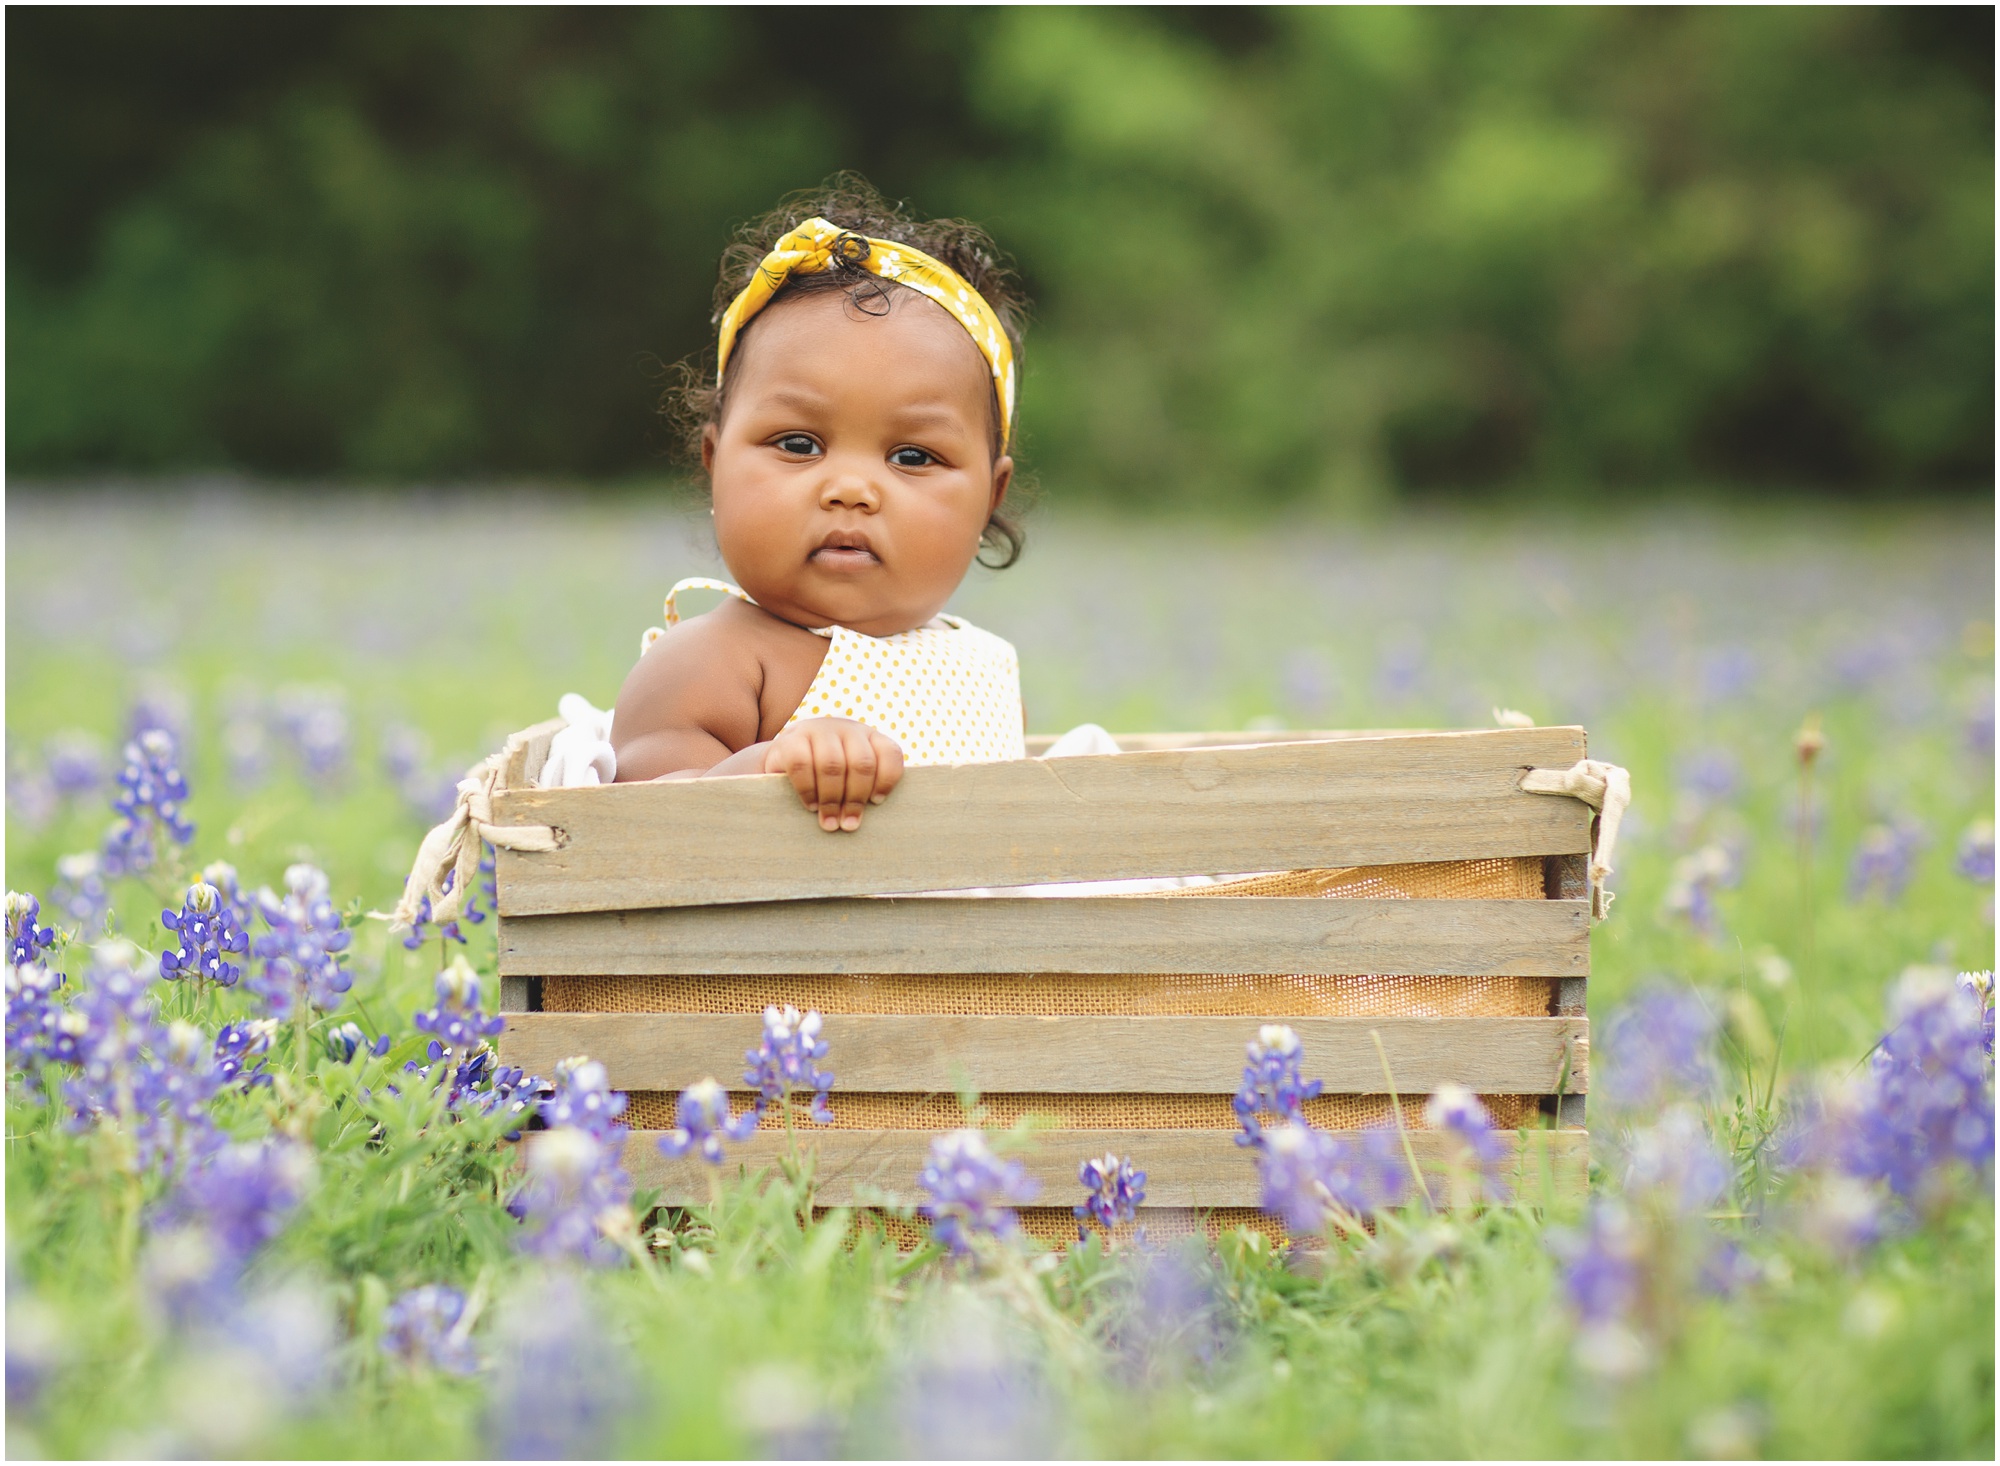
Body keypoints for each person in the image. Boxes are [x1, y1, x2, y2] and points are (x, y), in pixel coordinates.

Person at [608, 177, 1030, 831]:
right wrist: (770, 766)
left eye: (912, 457)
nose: (851, 489)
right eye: (800, 444)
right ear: (716, 463)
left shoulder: (985, 665)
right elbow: (639, 835)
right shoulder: (712, 663)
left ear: (988, 498)